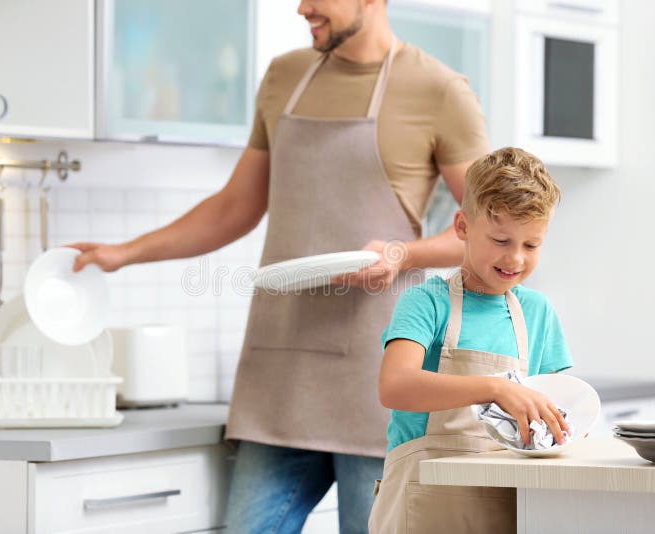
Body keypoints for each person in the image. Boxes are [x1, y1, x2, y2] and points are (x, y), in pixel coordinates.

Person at [70, 0, 490, 531]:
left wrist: (404, 254)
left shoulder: (439, 90)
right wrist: (124, 253)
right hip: (279, 380)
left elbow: (487, 230)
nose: (302, 7)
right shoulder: (284, 75)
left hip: (378, 378)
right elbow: (235, 206)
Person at [368, 147, 573, 533]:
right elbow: (394, 386)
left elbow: (558, 412)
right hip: (421, 507)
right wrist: (495, 389)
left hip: (507, 507)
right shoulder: (427, 302)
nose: (515, 258)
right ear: (462, 227)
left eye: (531, 245)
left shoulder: (538, 313)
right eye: (500, 240)